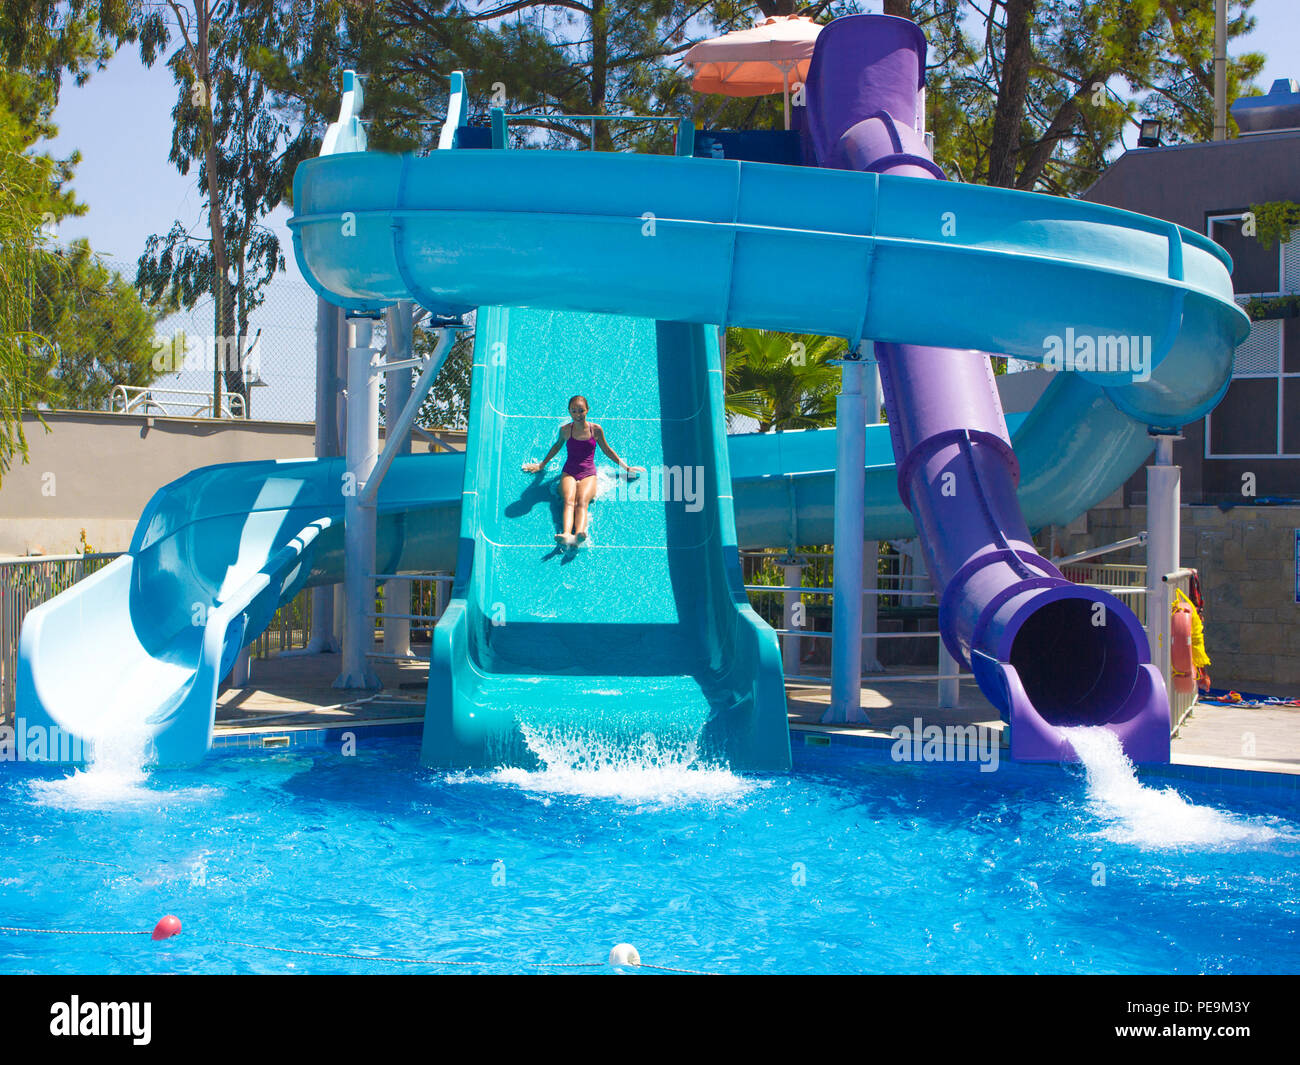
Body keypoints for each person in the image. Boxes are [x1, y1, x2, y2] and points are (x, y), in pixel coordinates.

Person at [521, 395, 644, 546]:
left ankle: (579, 533)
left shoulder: (596, 430)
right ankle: (566, 533)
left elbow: (607, 450)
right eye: (574, 411)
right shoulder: (565, 430)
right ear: (569, 412)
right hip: (569, 472)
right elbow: (557, 447)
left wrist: (626, 467)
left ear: (587, 410)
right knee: (569, 500)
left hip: (588, 473)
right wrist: (542, 465)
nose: (577, 414)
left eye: (581, 410)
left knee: (582, 501)